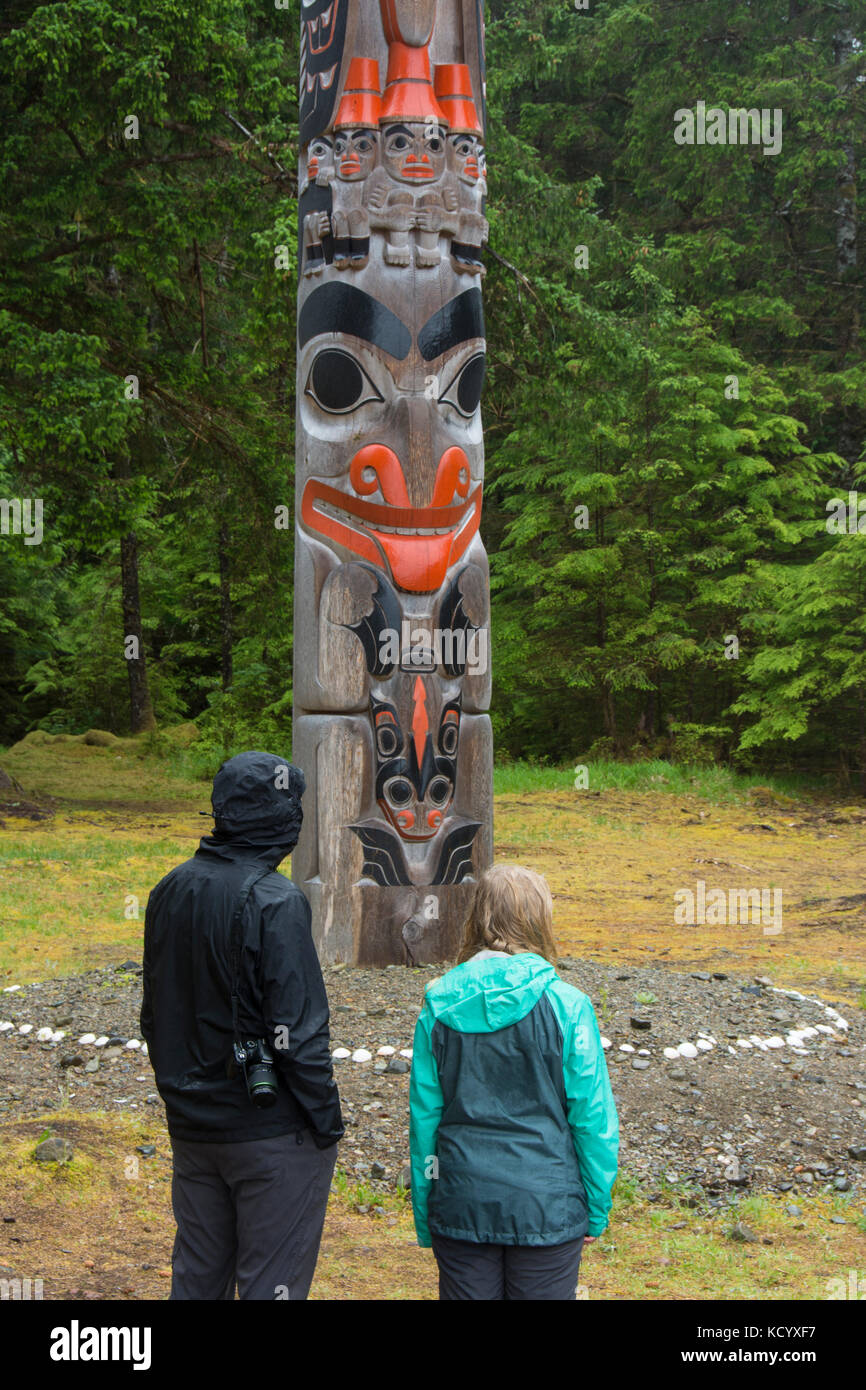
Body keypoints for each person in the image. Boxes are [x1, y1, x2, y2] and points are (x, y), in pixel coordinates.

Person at [141, 750, 343, 1300]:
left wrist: (181, 1096)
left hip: (194, 1123)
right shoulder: (277, 902)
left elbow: (154, 1015)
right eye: (291, 808)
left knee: (198, 1278)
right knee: (270, 1284)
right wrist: (326, 1123)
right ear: (277, 819)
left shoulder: (168, 890)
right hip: (269, 1131)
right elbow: (298, 1034)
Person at [409, 863, 619, 1300]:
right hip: (546, 1203)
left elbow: (424, 1118)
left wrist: (427, 1207)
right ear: (540, 917)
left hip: (462, 1198)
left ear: (477, 916)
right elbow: (592, 1119)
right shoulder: (569, 1005)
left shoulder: (438, 1001)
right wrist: (595, 1207)